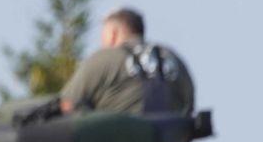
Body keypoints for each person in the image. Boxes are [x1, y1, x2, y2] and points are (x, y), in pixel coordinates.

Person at [59, 7, 194, 116]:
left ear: (113, 34)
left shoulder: (104, 58)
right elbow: (189, 106)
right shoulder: (174, 58)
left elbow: (68, 104)